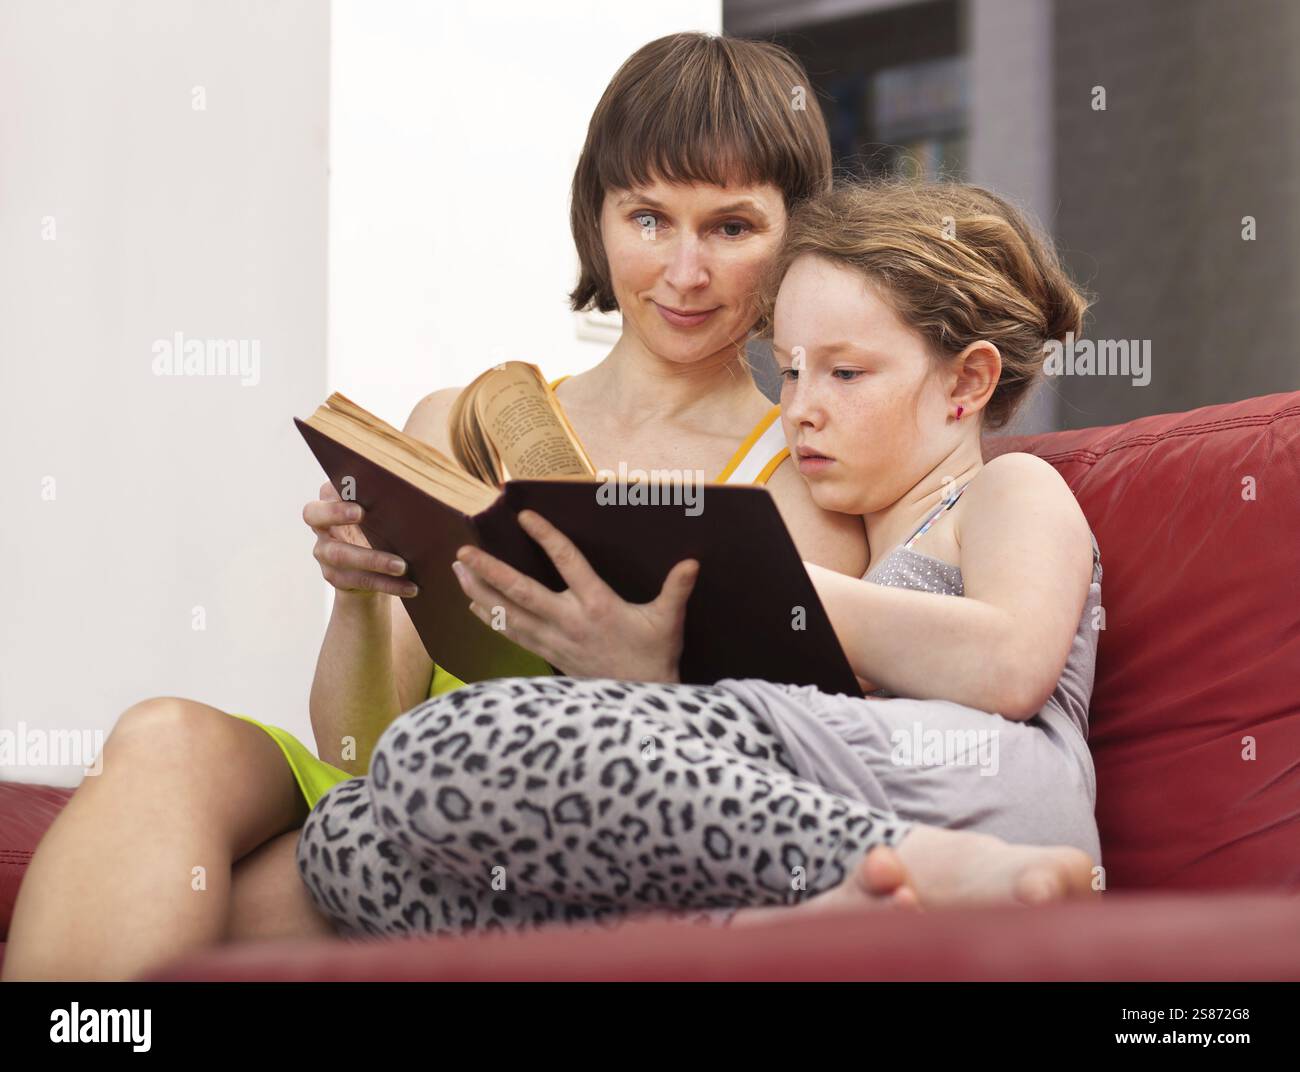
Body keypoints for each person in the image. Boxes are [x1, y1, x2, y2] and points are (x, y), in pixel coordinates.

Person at [2, 31, 875, 981]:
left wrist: (639, 677)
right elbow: (358, 745)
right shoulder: (461, 421)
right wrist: (359, 594)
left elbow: (779, 792)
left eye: (732, 227)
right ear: (599, 217)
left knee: (212, 899)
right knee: (162, 733)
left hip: (551, 832)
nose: (685, 271)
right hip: (391, 788)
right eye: (649, 218)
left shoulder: (803, 480)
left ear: (799, 234)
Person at [292, 177, 1104, 938]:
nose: (801, 411)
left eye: (845, 373)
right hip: (816, 799)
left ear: (967, 384)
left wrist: (762, 584)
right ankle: (762, 929)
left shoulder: (1006, 492)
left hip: (983, 799)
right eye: (788, 373)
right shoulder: (851, 533)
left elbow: (1011, 665)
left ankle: (914, 867)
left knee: (444, 743)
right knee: (343, 840)